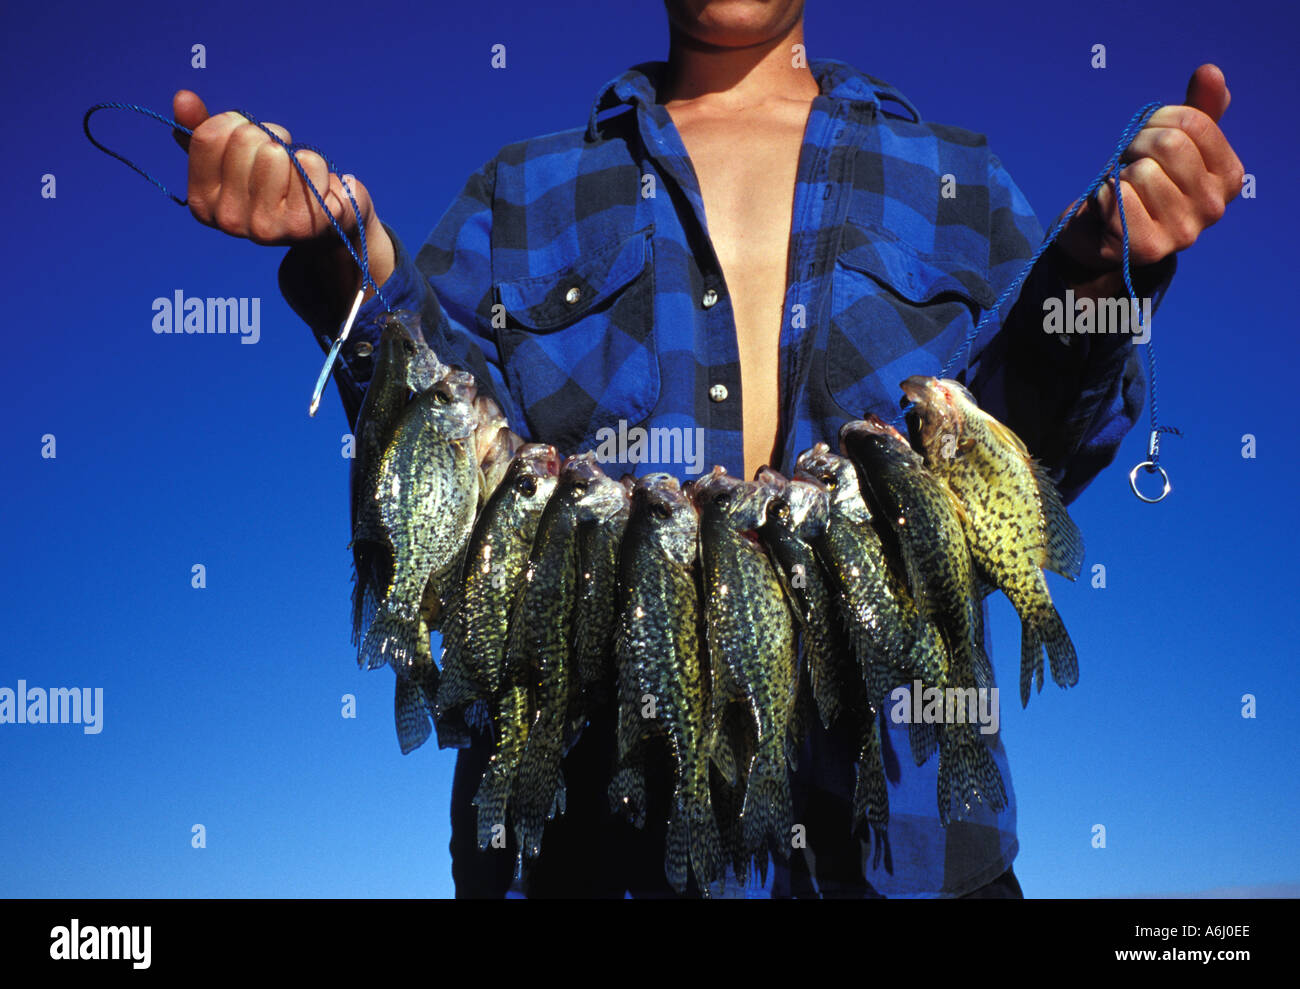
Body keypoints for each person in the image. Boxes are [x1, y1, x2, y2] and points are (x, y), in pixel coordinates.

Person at [172, 1, 1242, 897]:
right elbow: (443, 452)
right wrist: (337, 258)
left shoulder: (953, 176)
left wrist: (1097, 268)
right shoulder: (521, 189)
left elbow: (1025, 447)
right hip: (586, 854)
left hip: (915, 862)